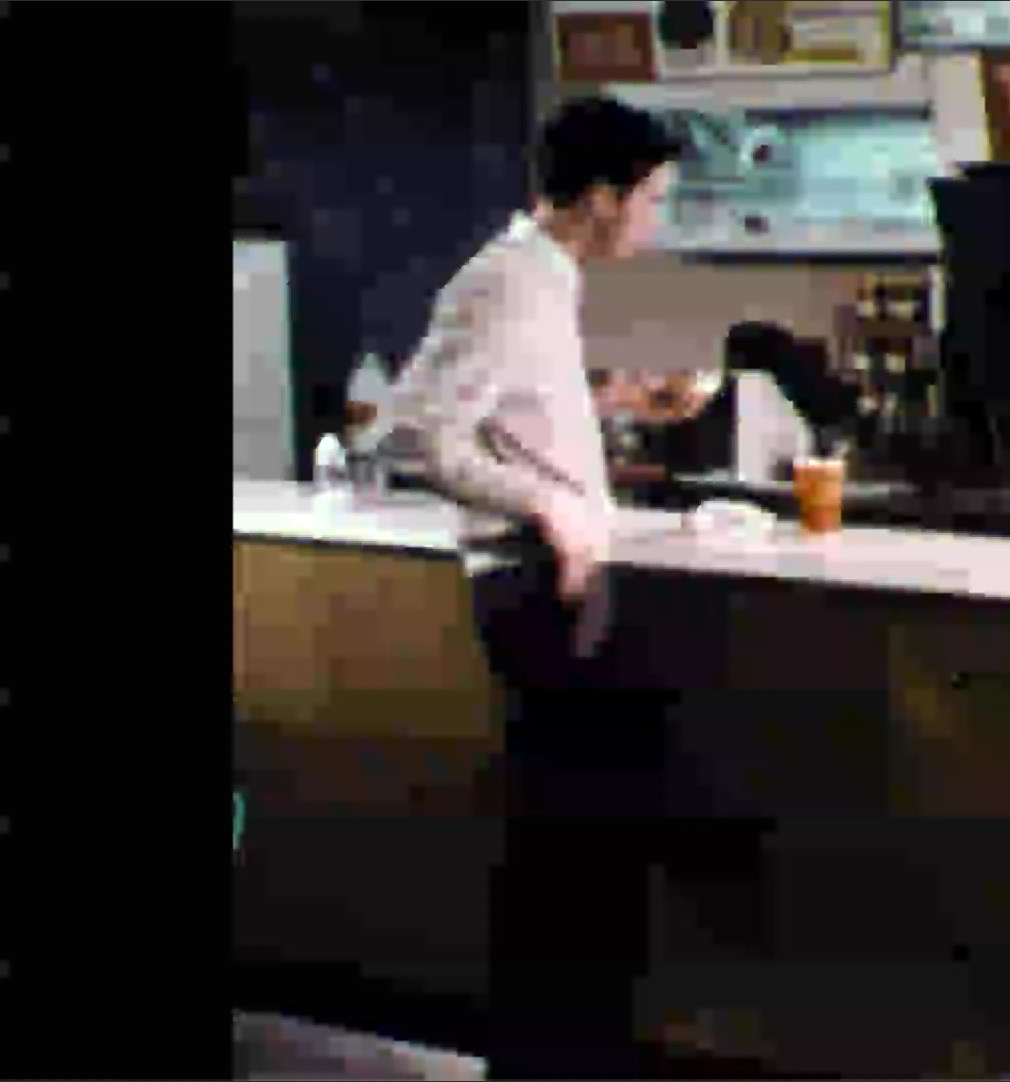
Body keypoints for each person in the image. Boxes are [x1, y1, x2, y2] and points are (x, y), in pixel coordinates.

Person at [387, 96, 715, 1077]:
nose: (654, 219)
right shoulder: (504, 281)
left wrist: (606, 397)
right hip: (534, 586)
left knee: (584, 840)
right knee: (573, 849)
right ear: (602, 196)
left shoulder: (541, 276)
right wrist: (549, 504)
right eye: (649, 199)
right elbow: (415, 431)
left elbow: (503, 405)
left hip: (554, 581)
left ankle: (568, 1053)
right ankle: (556, 1058)